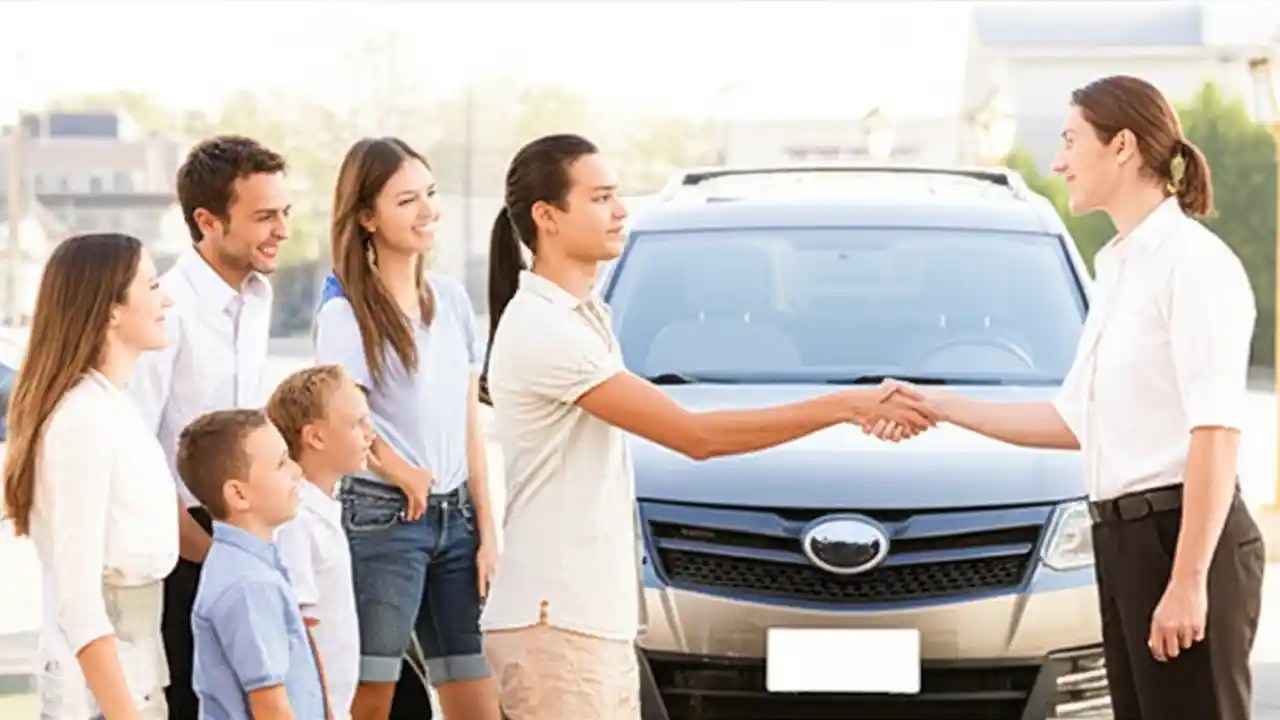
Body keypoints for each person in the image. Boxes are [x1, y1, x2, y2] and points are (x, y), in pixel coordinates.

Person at [479, 133, 936, 719]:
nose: (621, 211)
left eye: (617, 195)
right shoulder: (548, 330)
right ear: (547, 216)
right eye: (600, 198)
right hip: (558, 624)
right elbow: (696, 436)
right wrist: (848, 405)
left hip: (584, 620)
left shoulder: (584, 317)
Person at [875, 75, 1264, 719]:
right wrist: (937, 405)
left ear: (1122, 147)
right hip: (1123, 543)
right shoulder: (1117, 268)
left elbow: (1217, 431)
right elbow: (1074, 419)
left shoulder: (1192, 264)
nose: (1058, 160)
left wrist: (1189, 579)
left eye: (1069, 139)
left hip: (1183, 540)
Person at [315, 137, 500, 720]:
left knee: (477, 698)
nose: (427, 211)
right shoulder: (344, 315)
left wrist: (487, 528)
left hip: (458, 520)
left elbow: (469, 421)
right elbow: (346, 425)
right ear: (367, 217)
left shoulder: (451, 299)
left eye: (430, 194)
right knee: (370, 697)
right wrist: (402, 473)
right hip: (383, 522)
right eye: (406, 201)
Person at [127, 135, 290, 719]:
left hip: (239, 535)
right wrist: (204, 550)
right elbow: (138, 454)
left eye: (284, 213)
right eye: (264, 216)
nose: (282, 230)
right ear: (208, 221)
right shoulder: (165, 309)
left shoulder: (259, 294)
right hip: (186, 545)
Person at [2, 233, 177, 718]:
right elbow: (78, 601)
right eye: (152, 284)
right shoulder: (83, 420)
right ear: (111, 309)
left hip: (134, 680)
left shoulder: (108, 408)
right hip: (101, 698)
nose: (167, 298)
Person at [179, 409, 327, 719]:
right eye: (281, 463)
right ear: (238, 494)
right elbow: (270, 705)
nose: (297, 471)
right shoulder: (248, 584)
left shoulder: (251, 566)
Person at [267, 365, 375, 718]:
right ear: (316, 437)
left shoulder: (323, 510)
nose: (370, 434)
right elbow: (300, 629)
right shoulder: (296, 520)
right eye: (357, 423)